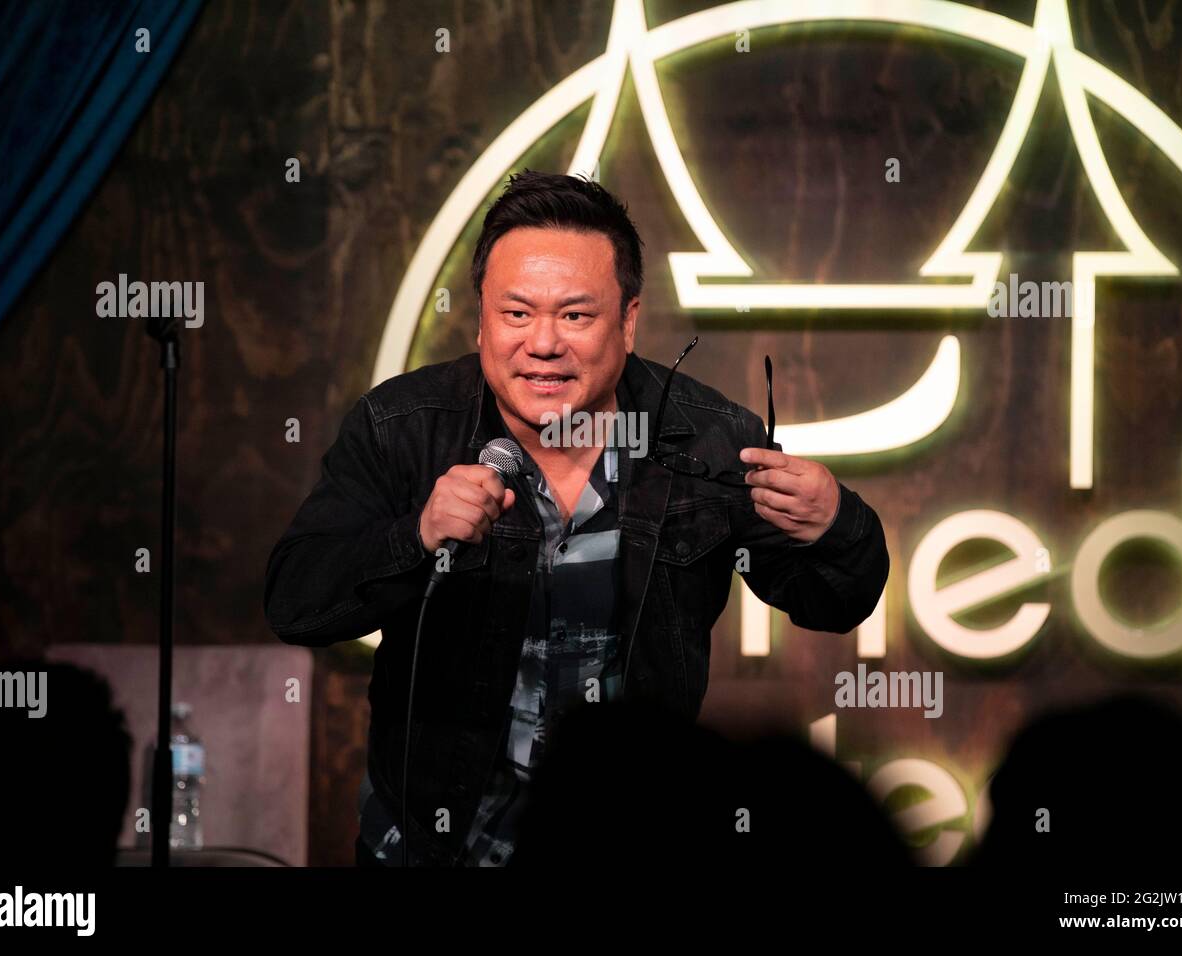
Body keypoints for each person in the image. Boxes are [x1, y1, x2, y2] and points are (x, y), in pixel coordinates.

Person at [264, 169, 889, 866]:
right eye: (517, 313)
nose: (543, 343)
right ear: (481, 319)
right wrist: (417, 535)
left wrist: (838, 521)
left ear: (627, 320)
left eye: (575, 315)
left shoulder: (709, 438)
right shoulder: (401, 427)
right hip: (432, 842)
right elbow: (297, 603)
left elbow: (835, 602)